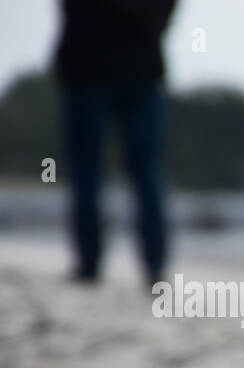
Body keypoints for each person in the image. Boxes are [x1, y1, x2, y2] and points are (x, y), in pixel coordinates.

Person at [53, 0, 177, 285]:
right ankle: (145, 265)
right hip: (109, 66)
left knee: (106, 172)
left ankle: (97, 264)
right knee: (134, 171)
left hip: (109, 66)